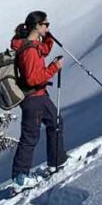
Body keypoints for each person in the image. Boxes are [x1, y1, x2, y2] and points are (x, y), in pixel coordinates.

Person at [10, 10, 64, 187]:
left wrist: (48, 38)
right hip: (33, 98)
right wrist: (54, 68)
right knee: (30, 136)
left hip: (40, 96)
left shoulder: (32, 45)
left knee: (55, 122)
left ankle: (57, 162)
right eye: (45, 24)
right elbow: (33, 78)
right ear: (37, 26)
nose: (48, 27)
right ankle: (20, 178)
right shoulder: (29, 51)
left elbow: (44, 50)